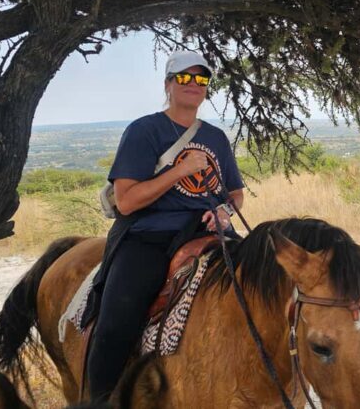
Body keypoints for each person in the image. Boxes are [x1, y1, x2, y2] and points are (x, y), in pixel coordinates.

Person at [87, 50, 245, 402]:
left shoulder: (216, 137)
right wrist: (179, 171)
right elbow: (126, 201)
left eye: (201, 79)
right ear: (168, 84)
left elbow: (234, 193)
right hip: (150, 236)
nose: (193, 84)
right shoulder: (144, 131)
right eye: (184, 77)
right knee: (116, 322)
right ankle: (100, 399)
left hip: (208, 233)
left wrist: (223, 212)